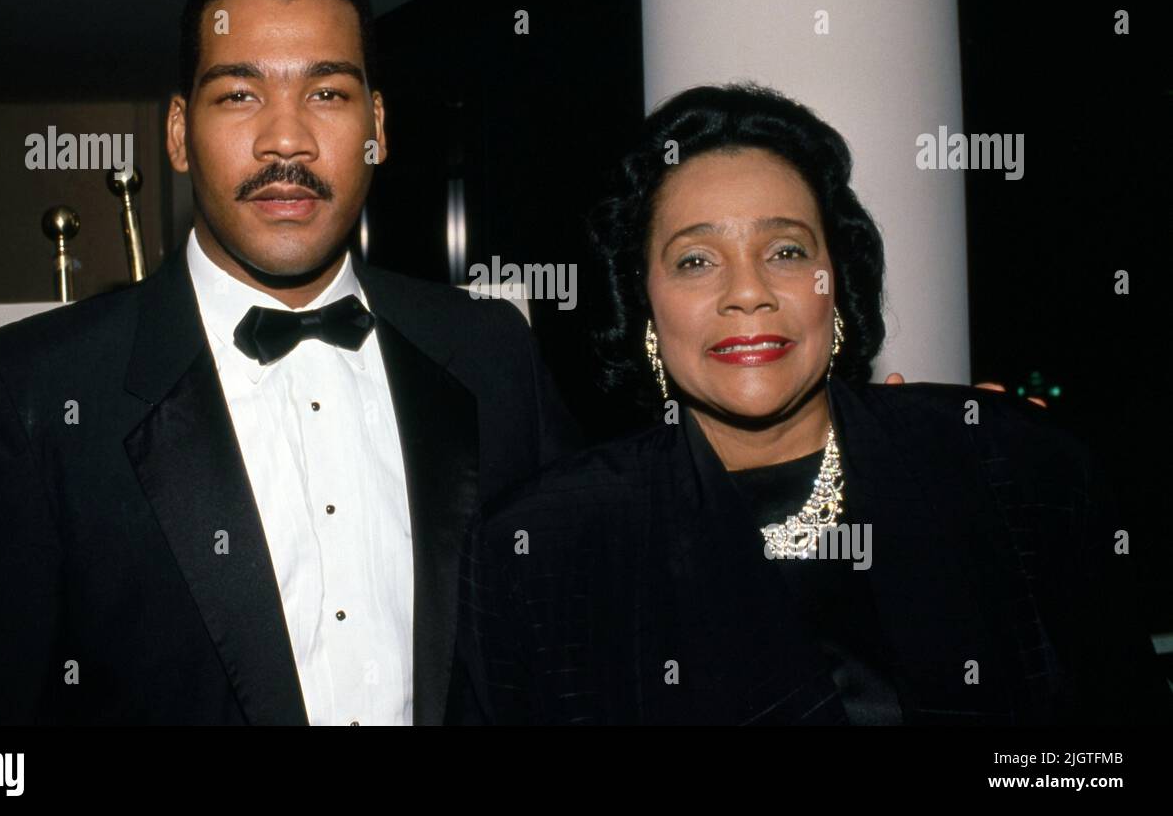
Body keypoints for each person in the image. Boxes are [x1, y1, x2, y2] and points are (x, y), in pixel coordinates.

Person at [0, 0, 578, 726]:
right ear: (176, 133)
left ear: (378, 126)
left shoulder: (491, 351)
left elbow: (576, 641)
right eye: (239, 95)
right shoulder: (36, 393)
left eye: (328, 94)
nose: (286, 141)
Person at [462, 83, 1172, 725]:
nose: (748, 291)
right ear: (643, 302)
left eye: (788, 251)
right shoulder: (545, 552)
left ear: (838, 284)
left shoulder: (1007, 468)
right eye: (696, 260)